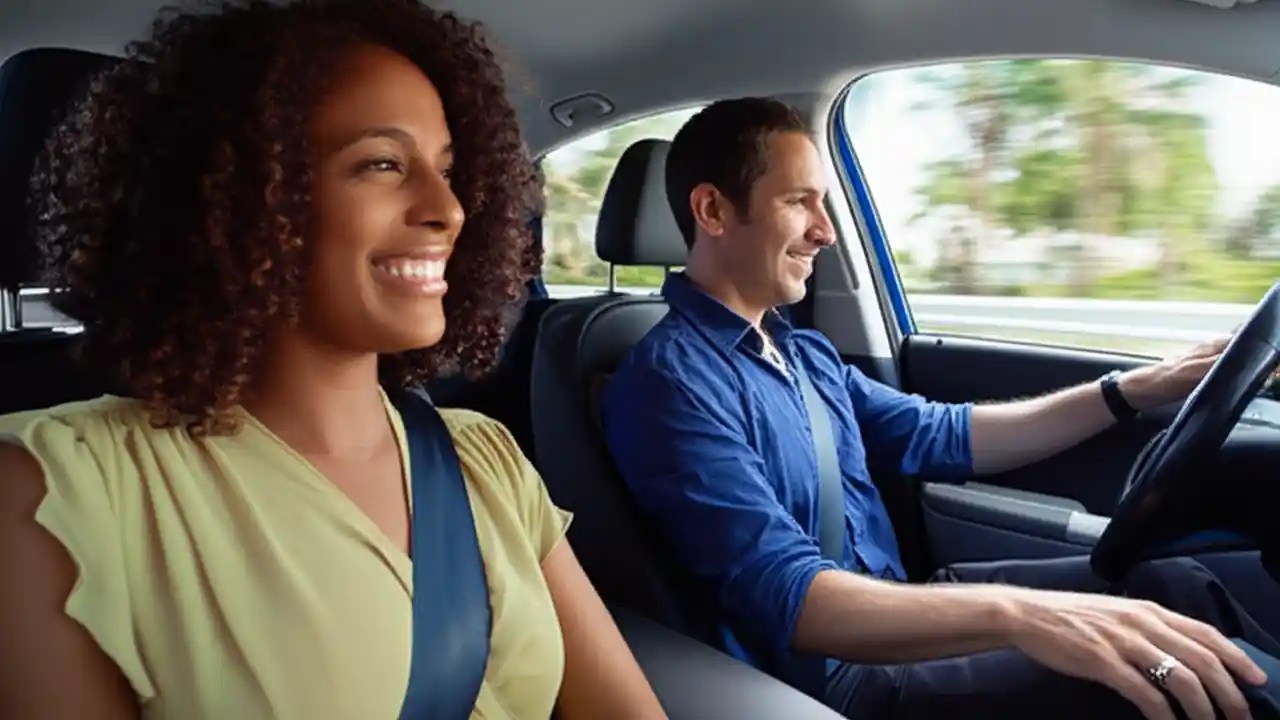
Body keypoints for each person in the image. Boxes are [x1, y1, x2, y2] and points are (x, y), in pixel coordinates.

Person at [0, 2, 668, 718]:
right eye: (381, 164)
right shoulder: (54, 497)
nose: (449, 208)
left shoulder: (484, 458)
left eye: (446, 169)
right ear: (235, 197)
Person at [601, 97, 1280, 720]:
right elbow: (790, 598)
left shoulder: (801, 353)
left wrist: (1129, 391)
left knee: (1171, 583)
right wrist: (1023, 616)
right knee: (1155, 675)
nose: (826, 232)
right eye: (800, 203)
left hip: (906, 603)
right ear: (715, 212)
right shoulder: (669, 384)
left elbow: (945, 434)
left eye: (826, 205)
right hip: (840, 675)